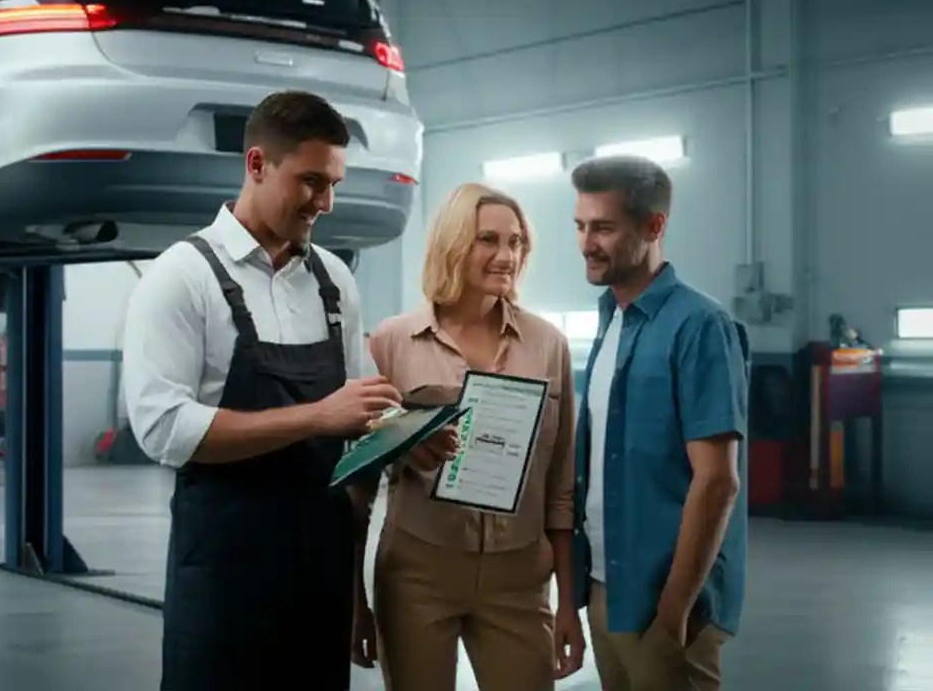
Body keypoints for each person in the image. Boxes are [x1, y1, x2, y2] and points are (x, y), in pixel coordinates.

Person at [121, 89, 446, 691]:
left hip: (319, 570)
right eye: (310, 181)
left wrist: (401, 437)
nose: (325, 202)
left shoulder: (333, 282)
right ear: (256, 164)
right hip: (224, 574)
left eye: (334, 184)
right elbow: (163, 429)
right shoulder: (182, 278)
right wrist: (314, 417)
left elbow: (354, 413)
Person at [350, 182, 585, 691]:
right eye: (488, 240)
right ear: (455, 245)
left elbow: (561, 486)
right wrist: (356, 601)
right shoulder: (392, 341)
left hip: (519, 576)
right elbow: (360, 484)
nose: (507, 256)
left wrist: (568, 603)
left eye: (517, 242)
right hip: (417, 572)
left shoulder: (548, 345)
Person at [568, 155, 749, 691]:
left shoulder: (700, 327)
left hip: (668, 602)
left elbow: (717, 481)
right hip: (607, 587)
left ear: (654, 227)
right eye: (579, 226)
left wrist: (672, 615)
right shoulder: (610, 321)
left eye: (603, 227)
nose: (586, 243)